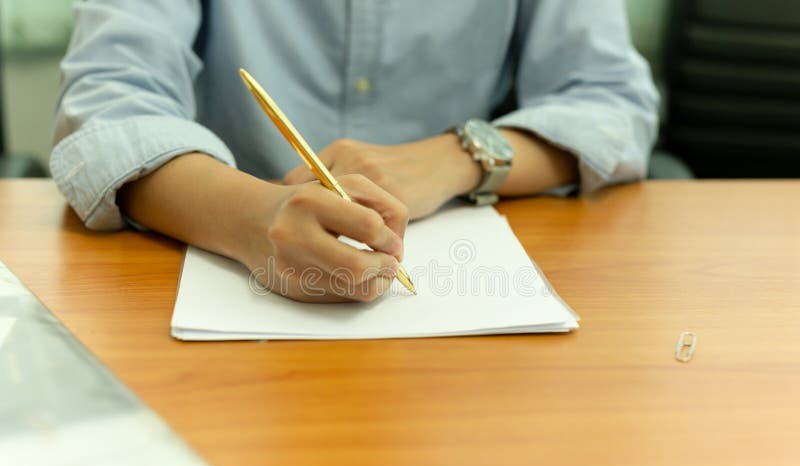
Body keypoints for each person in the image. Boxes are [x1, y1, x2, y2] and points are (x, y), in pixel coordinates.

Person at [51, 0, 659, 302]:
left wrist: (459, 156)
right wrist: (250, 216)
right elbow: (108, 107)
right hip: (207, 253)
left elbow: (612, 103)